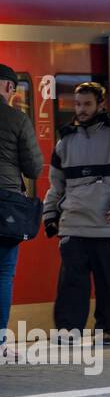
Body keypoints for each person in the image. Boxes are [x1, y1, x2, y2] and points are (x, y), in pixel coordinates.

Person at [43, 82, 110, 344]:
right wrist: (50, 215)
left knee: (107, 284)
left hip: (107, 225)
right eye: (77, 104)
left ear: (101, 104)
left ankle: (106, 331)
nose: (81, 110)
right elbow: (56, 185)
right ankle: (68, 330)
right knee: (71, 284)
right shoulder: (65, 140)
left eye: (87, 104)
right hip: (73, 224)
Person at [0, 64, 42, 348]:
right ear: (8, 88)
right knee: (3, 272)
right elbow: (34, 167)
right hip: (5, 205)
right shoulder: (17, 119)